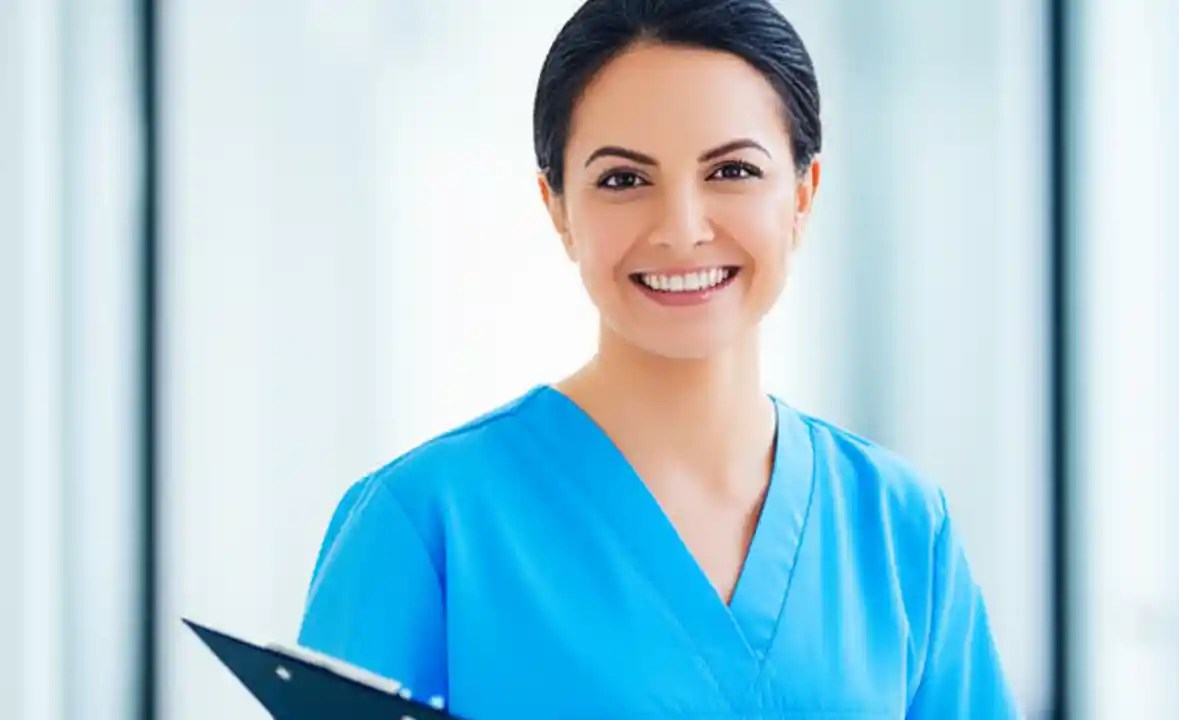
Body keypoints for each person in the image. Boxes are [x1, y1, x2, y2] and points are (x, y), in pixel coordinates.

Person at [296, 0, 1019, 717]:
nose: (682, 229)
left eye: (732, 171)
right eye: (623, 180)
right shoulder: (426, 524)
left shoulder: (899, 530)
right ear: (557, 209)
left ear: (803, 194)